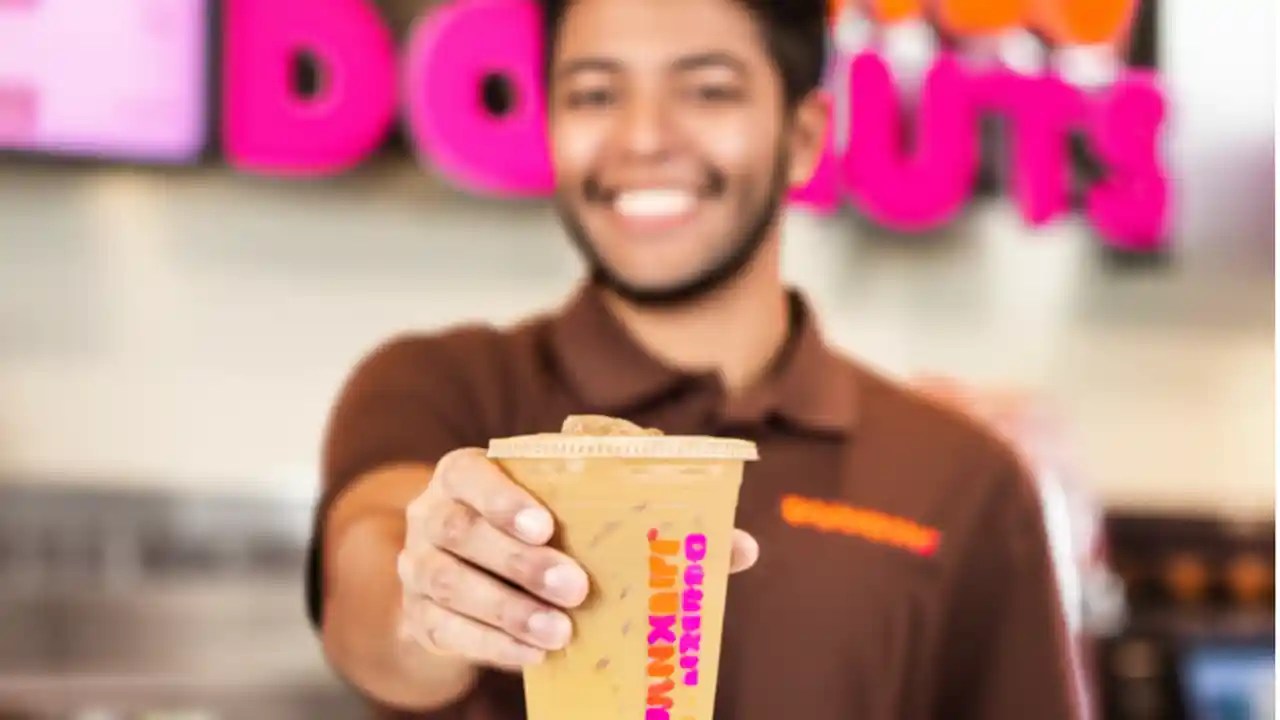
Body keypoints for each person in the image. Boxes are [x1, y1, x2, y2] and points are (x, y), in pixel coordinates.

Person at [306, 0, 1082, 717]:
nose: (642, 137)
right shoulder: (442, 391)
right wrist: (430, 598)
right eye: (595, 94)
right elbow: (366, 593)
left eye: (707, 90)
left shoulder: (962, 478)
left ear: (805, 137)